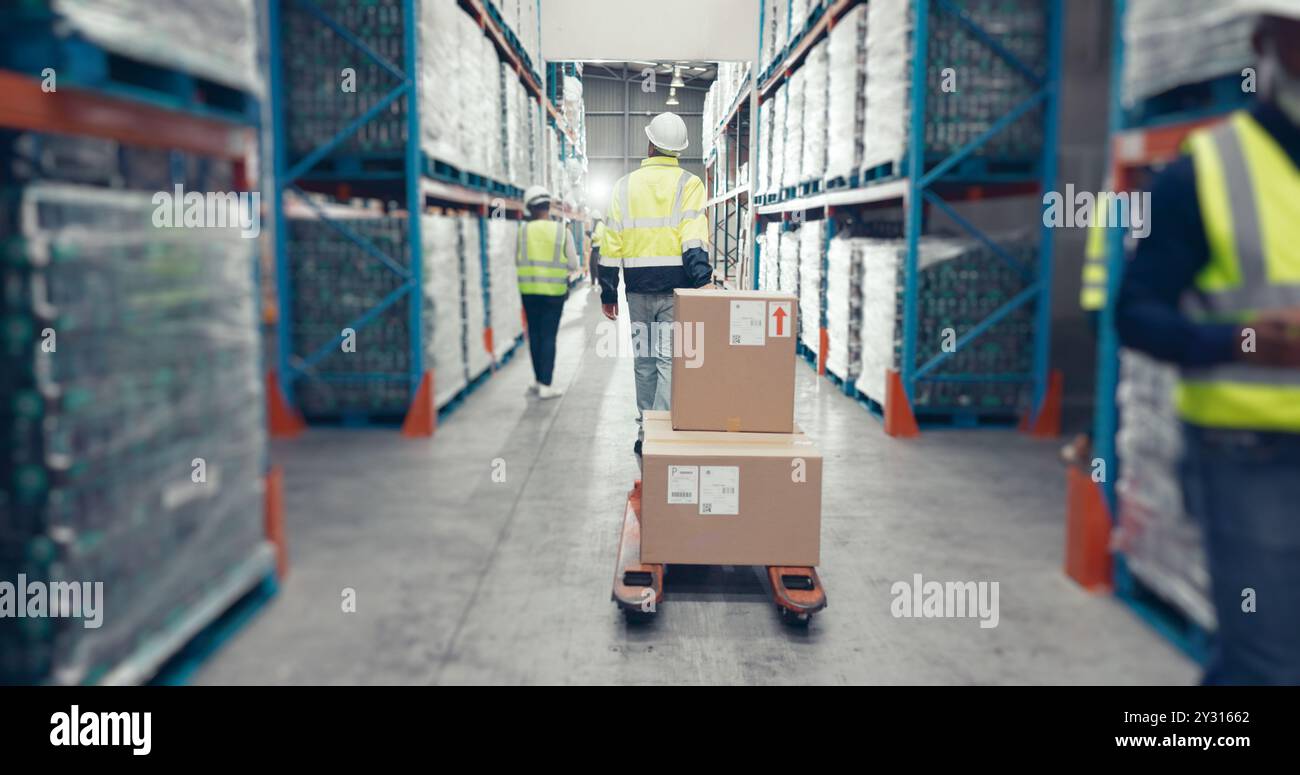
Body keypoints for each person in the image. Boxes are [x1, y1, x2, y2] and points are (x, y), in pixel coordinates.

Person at [1116, 6, 1300, 685]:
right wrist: (1247, 340)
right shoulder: (1209, 171)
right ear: (1267, 44)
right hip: (1250, 452)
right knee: (1273, 663)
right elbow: (1136, 313)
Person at [599, 112, 714, 455]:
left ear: (650, 144)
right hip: (676, 289)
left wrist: (608, 291)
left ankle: (644, 431)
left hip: (636, 290)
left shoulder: (624, 186)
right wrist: (703, 280)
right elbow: (693, 235)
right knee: (668, 362)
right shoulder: (689, 184)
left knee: (644, 362)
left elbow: (610, 243)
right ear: (678, 150)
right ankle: (659, 438)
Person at [517, 185, 579, 399]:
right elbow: (573, 264)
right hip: (554, 293)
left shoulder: (521, 231)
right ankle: (546, 384)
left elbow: (514, 260)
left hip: (529, 291)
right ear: (548, 206)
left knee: (534, 335)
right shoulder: (563, 232)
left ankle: (537, 380)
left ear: (529, 208)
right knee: (548, 337)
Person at [589, 209, 606, 292]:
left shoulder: (600, 224)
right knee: (592, 266)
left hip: (598, 248)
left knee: (595, 267)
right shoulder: (599, 224)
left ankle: (599, 283)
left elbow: (598, 236)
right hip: (596, 248)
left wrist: (590, 234)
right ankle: (593, 283)